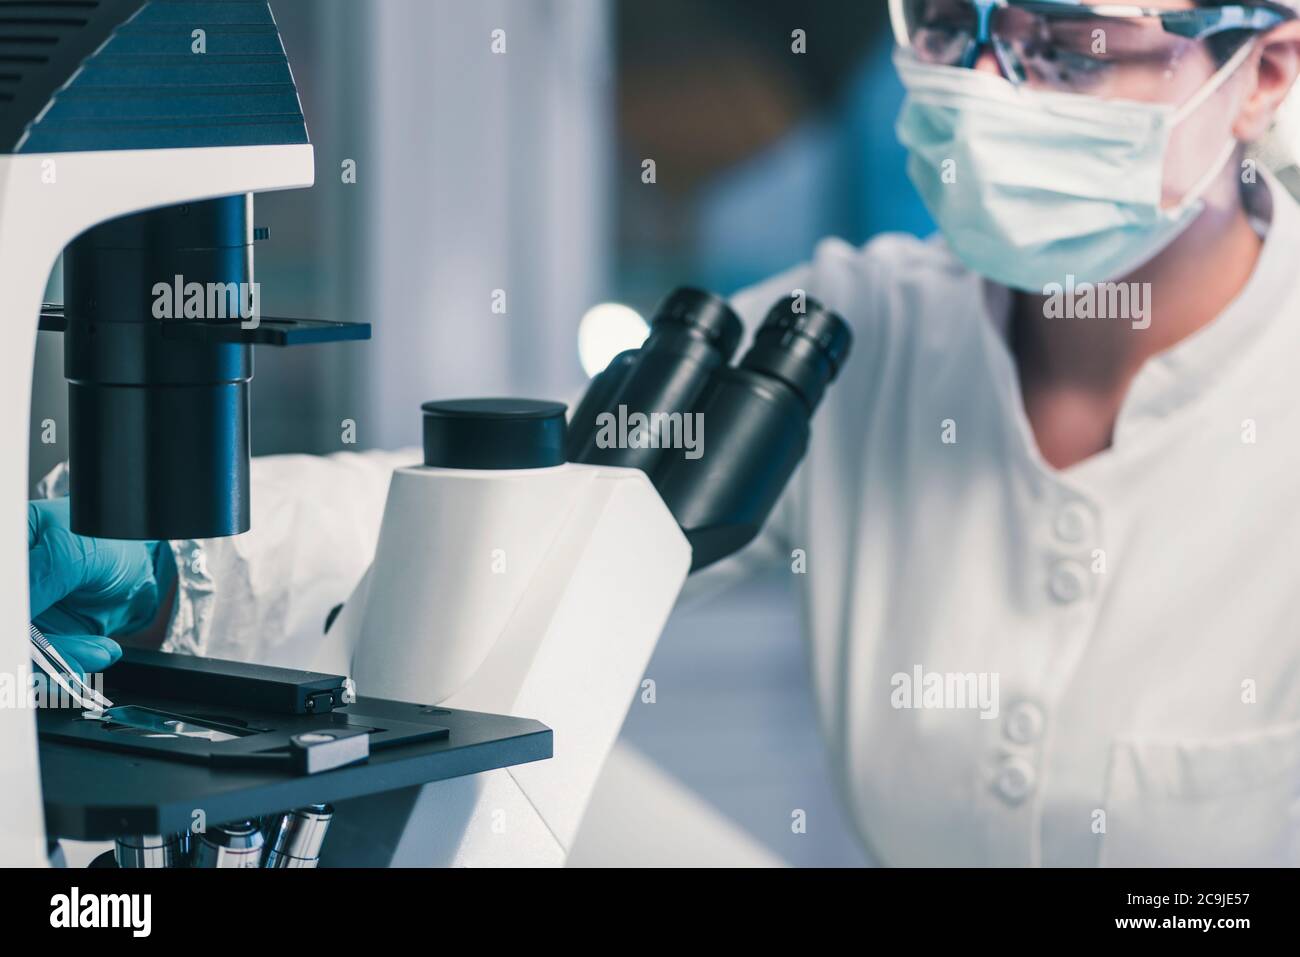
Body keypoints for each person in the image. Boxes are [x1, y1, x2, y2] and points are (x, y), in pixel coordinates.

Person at [28, 0, 1300, 866]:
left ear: (1266, 75)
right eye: (955, 28)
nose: (980, 89)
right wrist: (172, 567)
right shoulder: (867, 326)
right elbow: (528, 502)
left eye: (1064, 47)